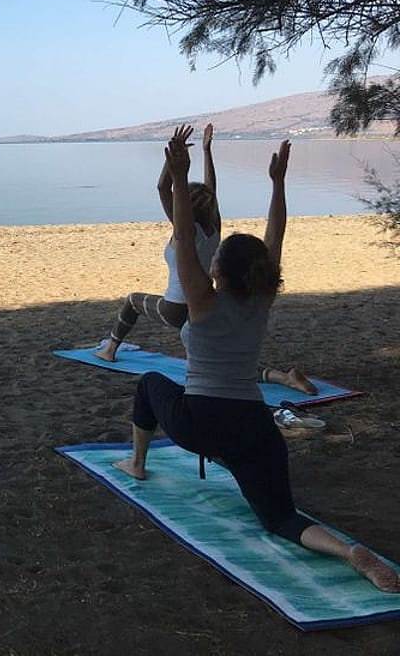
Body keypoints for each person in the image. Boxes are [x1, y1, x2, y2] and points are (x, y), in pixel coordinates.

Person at [113, 137, 400, 593]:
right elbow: (275, 234)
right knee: (281, 517)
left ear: (219, 271)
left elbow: (184, 237)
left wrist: (182, 179)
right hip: (255, 426)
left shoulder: (203, 303)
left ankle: (137, 462)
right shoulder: (260, 302)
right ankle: (349, 552)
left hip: (201, 421)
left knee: (149, 382)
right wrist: (278, 184)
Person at [95, 124, 316, 396]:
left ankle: (109, 349)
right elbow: (270, 233)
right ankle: (281, 377)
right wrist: (207, 151)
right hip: (205, 307)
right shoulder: (216, 229)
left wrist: (174, 166)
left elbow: (163, 190)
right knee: (223, 360)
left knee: (132, 301)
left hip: (178, 307)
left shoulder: (186, 231)